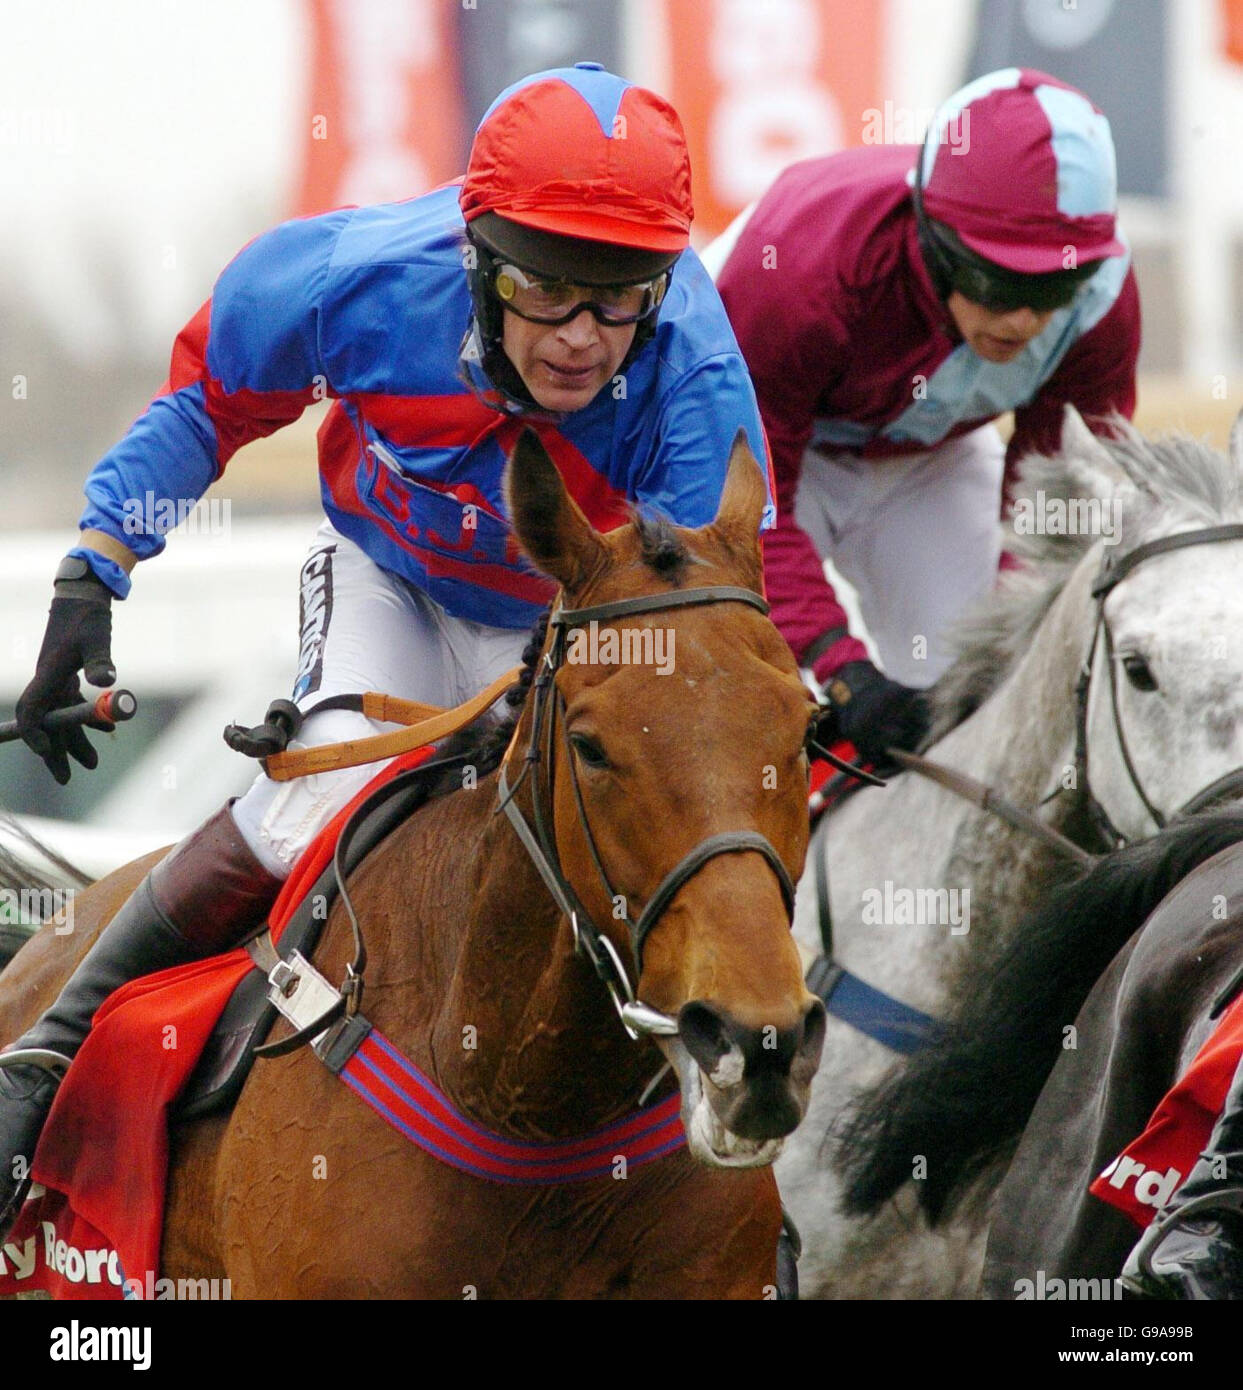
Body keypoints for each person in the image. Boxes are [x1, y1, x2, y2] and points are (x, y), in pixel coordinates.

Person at [0, 62, 771, 1232]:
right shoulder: (351, 282)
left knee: (649, 816)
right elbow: (211, 403)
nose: (582, 340)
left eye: (621, 302)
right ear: (477, 257)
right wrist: (90, 572)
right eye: (547, 292)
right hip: (388, 576)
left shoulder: (697, 376)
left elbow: (694, 617)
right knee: (330, 789)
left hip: (575, 607)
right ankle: (44, 1057)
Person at [708, 68, 1140, 766]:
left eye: (1055, 286)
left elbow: (1052, 512)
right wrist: (837, 663)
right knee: (746, 712)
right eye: (996, 280)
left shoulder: (1102, 308)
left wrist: (1008, 644)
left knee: (980, 701)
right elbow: (741, 499)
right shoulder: (801, 265)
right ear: (931, 237)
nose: (1025, 319)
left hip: (925, 458)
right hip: (757, 459)